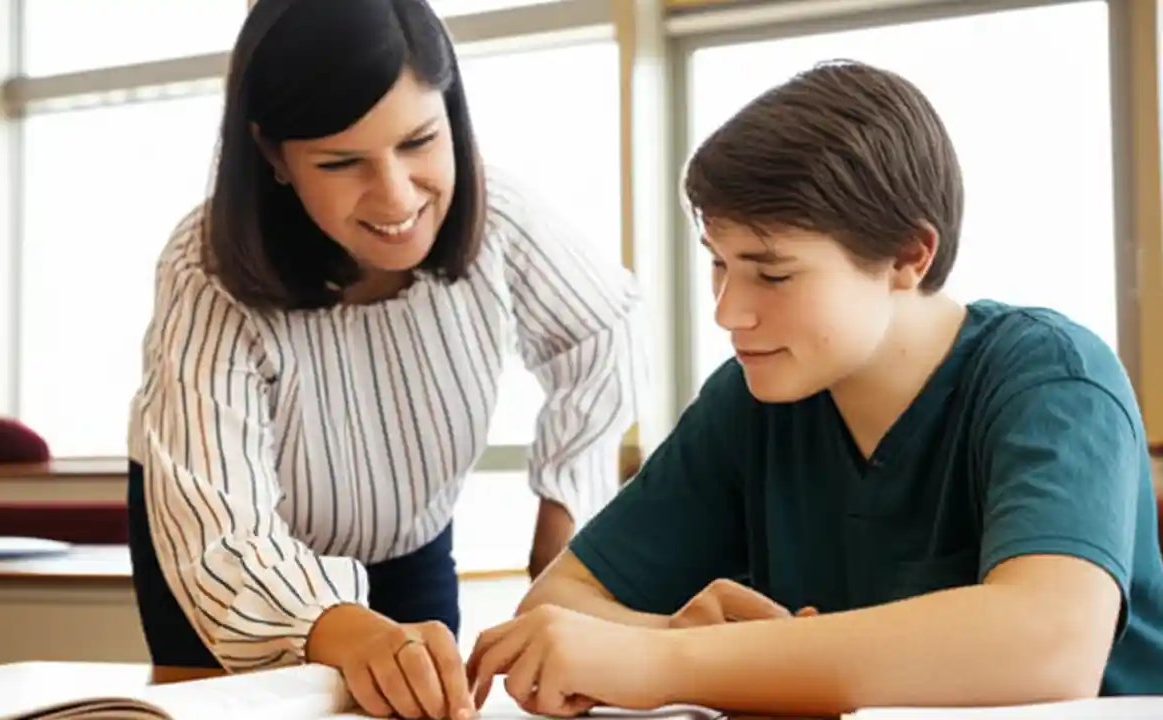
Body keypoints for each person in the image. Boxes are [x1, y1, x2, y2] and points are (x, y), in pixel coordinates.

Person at [466, 59, 1163, 717]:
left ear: (907, 257)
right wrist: (679, 638)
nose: (727, 311)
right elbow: (559, 604)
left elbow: (1051, 647)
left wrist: (676, 658)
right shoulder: (752, 400)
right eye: (719, 264)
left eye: (772, 274)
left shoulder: (1051, 378)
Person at [124, 0, 644, 717]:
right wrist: (335, 628)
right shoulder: (207, 267)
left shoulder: (501, 216)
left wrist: (561, 546)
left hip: (410, 543)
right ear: (273, 155)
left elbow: (601, 335)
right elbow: (219, 531)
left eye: (419, 141)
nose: (397, 197)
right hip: (234, 575)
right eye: (342, 162)